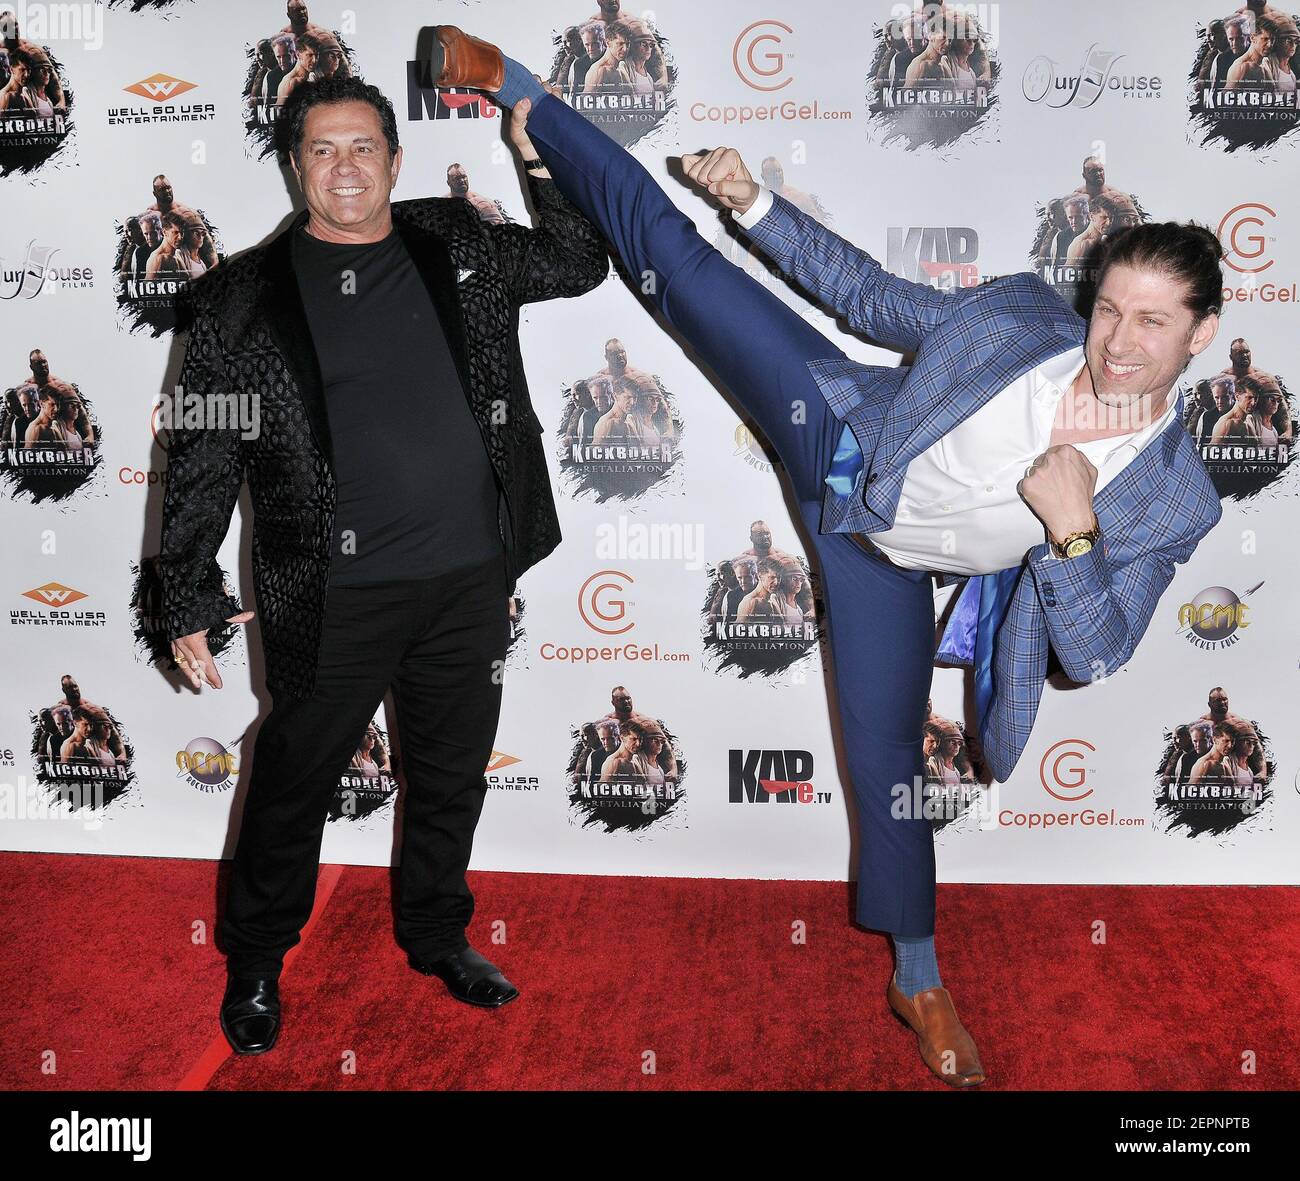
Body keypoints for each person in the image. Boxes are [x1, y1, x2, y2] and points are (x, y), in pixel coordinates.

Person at [422, 25, 1227, 1089]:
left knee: (889, 765)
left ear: (1201, 335)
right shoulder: (1024, 320)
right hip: (836, 431)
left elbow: (1097, 650)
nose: (1119, 340)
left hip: (881, 563)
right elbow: (873, 301)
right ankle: (516, 84)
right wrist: (753, 205)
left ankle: (918, 976)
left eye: (1154, 323)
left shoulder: (1177, 495)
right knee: (677, 256)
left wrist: (1073, 530)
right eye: (1111, 309)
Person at [159, 72, 606, 1056]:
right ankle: (259, 957)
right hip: (327, 590)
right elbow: (198, 451)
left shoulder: (456, 244)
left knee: (450, 772)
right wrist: (185, 587)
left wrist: (540, 159)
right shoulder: (237, 301)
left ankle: (438, 932)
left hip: (469, 574)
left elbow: (579, 260)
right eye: (323, 150)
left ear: (394, 162)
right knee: (293, 775)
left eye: (363, 146)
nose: (346, 167)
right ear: (294, 167)